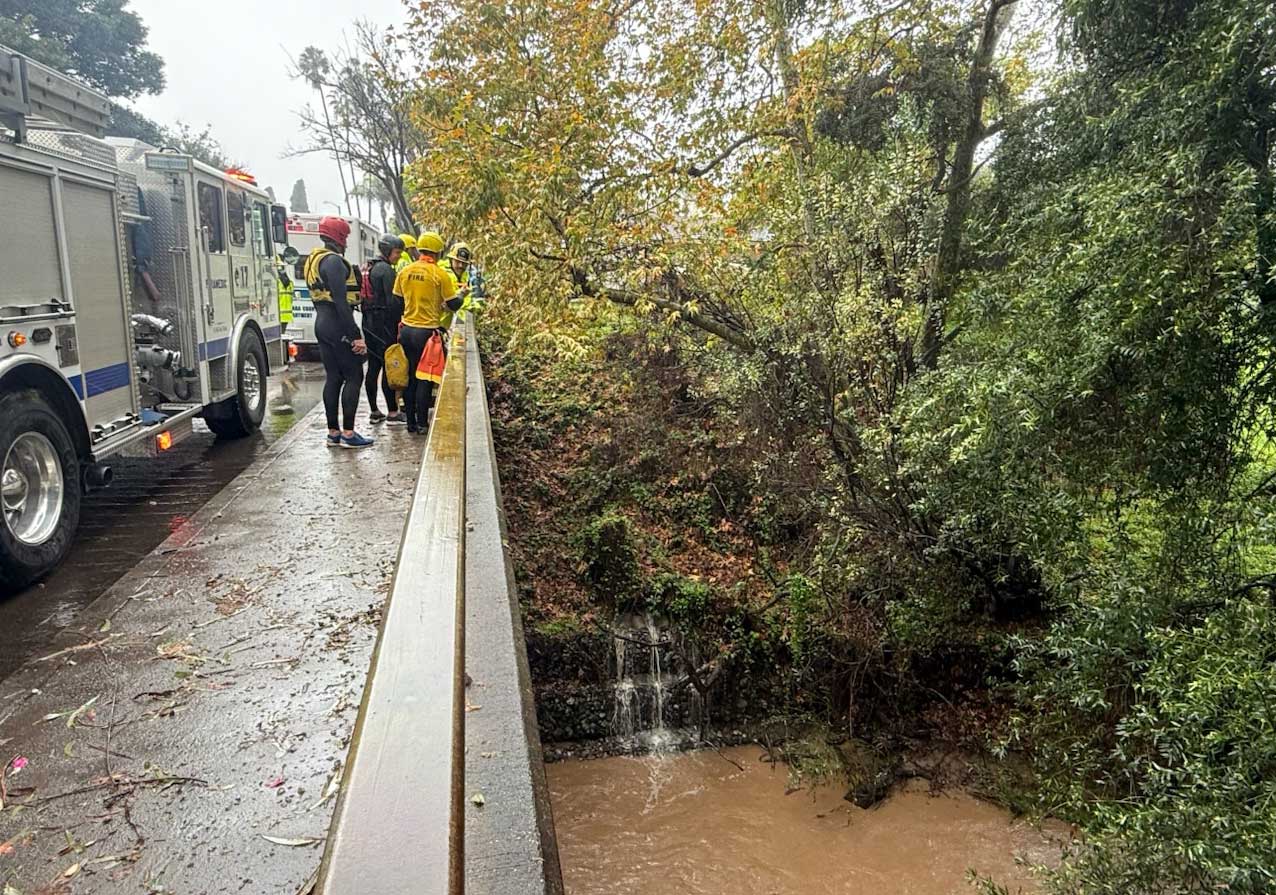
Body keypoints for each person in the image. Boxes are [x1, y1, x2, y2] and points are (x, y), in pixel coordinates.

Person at [303, 216, 374, 448]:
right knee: (354, 375)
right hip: (336, 323)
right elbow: (342, 303)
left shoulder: (315, 259)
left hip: (322, 323)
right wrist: (355, 335)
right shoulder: (333, 262)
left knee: (333, 376)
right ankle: (349, 434)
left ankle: (333, 432)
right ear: (340, 237)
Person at [393, 230, 464, 434]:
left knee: (410, 375)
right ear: (438, 253)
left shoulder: (405, 271)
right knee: (425, 377)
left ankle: (410, 423)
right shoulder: (439, 274)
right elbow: (453, 303)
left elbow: (397, 301)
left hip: (406, 330)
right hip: (427, 334)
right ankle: (423, 424)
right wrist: (461, 294)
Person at [362, 235, 405, 424]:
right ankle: (393, 412)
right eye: (397, 252)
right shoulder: (386, 270)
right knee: (389, 365)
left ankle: (374, 410)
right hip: (383, 324)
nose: (399, 256)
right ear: (388, 251)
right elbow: (392, 301)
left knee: (373, 367)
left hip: (369, 322)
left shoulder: (370, 266)